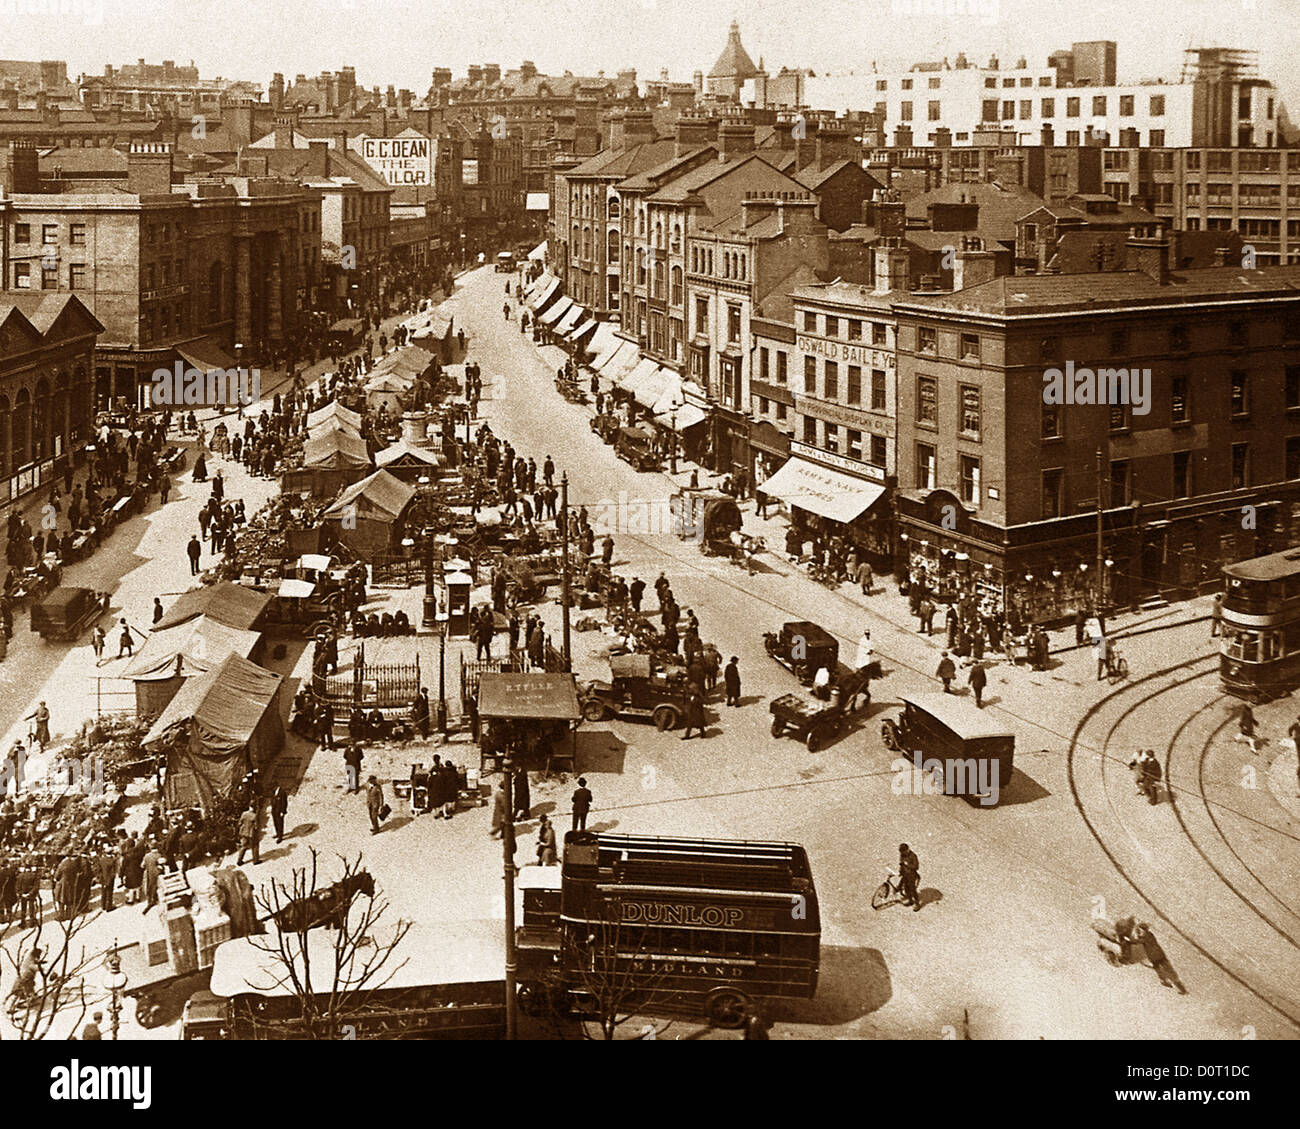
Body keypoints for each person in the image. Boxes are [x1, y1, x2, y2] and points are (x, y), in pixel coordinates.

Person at [1133, 924, 1185, 993]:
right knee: (1164, 971)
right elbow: (1140, 940)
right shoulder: (1147, 935)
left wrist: (1128, 939)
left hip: (1157, 957)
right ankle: (1170, 983)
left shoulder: (1147, 936)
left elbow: (1137, 941)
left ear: (1144, 930)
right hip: (1158, 956)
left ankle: (1177, 986)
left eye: (1140, 930)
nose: (1140, 932)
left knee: (1166, 971)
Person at [897, 843, 921, 911]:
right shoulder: (902, 855)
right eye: (901, 852)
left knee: (912, 890)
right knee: (906, 889)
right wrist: (901, 871)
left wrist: (907, 864)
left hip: (912, 875)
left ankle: (917, 904)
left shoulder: (913, 856)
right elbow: (901, 864)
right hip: (905, 874)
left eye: (904, 851)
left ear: (907, 850)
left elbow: (916, 867)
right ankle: (910, 901)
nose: (902, 853)